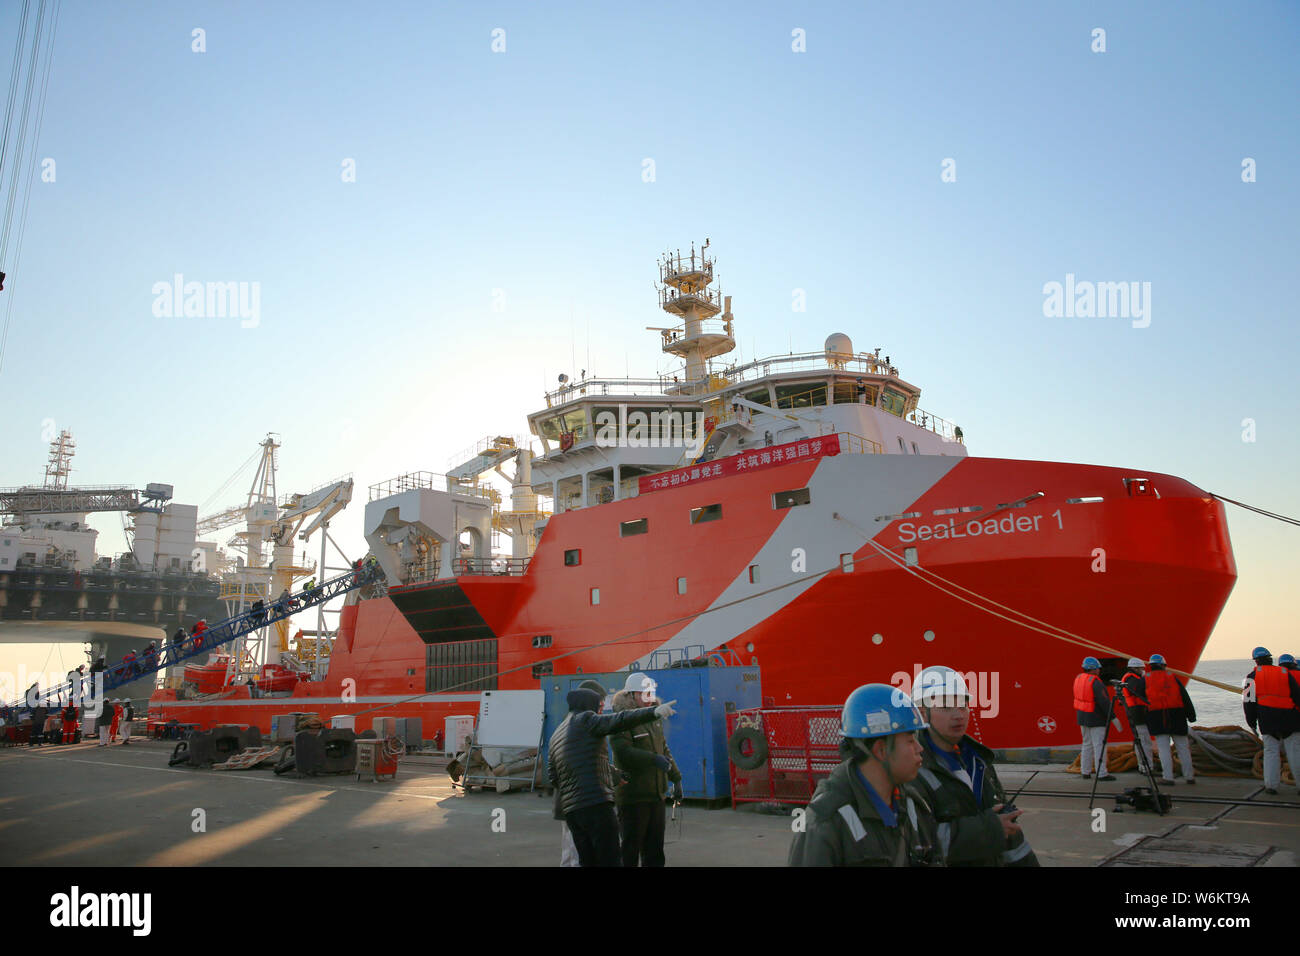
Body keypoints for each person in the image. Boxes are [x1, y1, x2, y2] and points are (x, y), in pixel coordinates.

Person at [788, 684, 939, 866]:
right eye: (909, 740)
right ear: (881, 750)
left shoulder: (912, 805)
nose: (919, 748)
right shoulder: (823, 822)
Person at [910, 665, 1039, 866]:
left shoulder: (978, 761)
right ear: (922, 713)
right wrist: (991, 829)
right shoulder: (912, 768)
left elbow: (1011, 840)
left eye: (962, 706)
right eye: (945, 707)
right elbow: (919, 843)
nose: (958, 715)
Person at [547, 681, 676, 866]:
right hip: (596, 805)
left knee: (588, 860)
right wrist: (653, 712)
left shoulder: (557, 734)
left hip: (573, 812)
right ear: (588, 705)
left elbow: (554, 776)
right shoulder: (586, 719)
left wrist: (612, 775)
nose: (601, 710)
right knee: (610, 858)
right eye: (599, 706)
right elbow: (618, 720)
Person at [610, 673, 683, 867]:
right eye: (644, 694)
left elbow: (663, 748)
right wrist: (653, 759)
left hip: (656, 796)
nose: (648, 698)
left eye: (650, 693)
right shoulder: (621, 721)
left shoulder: (654, 717)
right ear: (631, 695)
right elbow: (623, 752)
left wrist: (676, 778)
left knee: (655, 850)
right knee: (630, 849)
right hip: (634, 797)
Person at [1243, 646, 1300, 795]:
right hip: (1290, 718)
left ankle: (1271, 786)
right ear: (1270, 658)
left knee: (1270, 752)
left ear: (1256, 661)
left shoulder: (1251, 676)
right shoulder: (1284, 673)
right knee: (1295, 753)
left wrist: (1251, 722)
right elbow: (1297, 696)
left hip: (1267, 718)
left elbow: (1248, 703)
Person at [1145, 654, 1196, 785]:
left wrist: (1145, 719)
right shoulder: (1173, 677)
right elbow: (1185, 697)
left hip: (1157, 718)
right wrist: (1191, 716)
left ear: (1150, 666)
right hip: (1177, 716)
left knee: (1164, 750)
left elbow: (1139, 698)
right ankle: (1189, 777)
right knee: (1183, 748)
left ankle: (1168, 777)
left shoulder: (1145, 679)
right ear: (1163, 665)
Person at [1073, 657, 1115, 781]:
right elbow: (1104, 702)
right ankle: (1101, 773)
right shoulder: (1096, 682)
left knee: (1086, 744)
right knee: (1099, 746)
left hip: (1082, 717)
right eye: (1098, 668)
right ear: (1094, 669)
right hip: (1096, 718)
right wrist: (1112, 716)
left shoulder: (1078, 679)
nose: (1099, 670)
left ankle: (1085, 771)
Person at [1120, 657, 1156, 771]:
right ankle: (1146, 767)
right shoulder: (1131, 679)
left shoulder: (1131, 678)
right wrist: (1144, 679)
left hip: (1137, 713)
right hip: (1137, 713)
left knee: (1142, 741)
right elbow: (1138, 690)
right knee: (1144, 741)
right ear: (1136, 668)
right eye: (1141, 668)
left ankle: (1143, 765)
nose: (1143, 670)